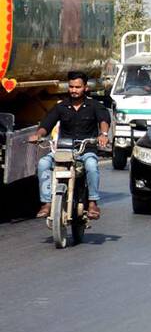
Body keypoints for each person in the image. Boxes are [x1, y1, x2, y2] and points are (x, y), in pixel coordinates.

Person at [30, 71, 111, 220]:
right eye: (71, 87)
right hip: (63, 150)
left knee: (92, 166)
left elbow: (104, 120)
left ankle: (93, 202)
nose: (74, 90)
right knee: (43, 163)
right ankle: (46, 203)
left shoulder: (94, 105)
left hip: (85, 150)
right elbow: (47, 124)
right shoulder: (61, 107)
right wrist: (39, 135)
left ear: (85, 88)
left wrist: (103, 135)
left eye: (78, 87)